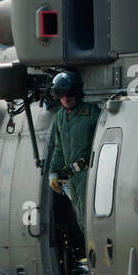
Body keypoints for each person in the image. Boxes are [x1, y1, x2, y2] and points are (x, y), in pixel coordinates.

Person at [47, 70, 100, 242]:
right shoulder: (60, 117)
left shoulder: (91, 113)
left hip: (87, 173)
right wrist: (53, 173)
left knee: (88, 217)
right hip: (72, 178)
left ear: (76, 93)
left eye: (69, 95)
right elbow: (59, 149)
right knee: (80, 220)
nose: (65, 99)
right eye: (61, 96)